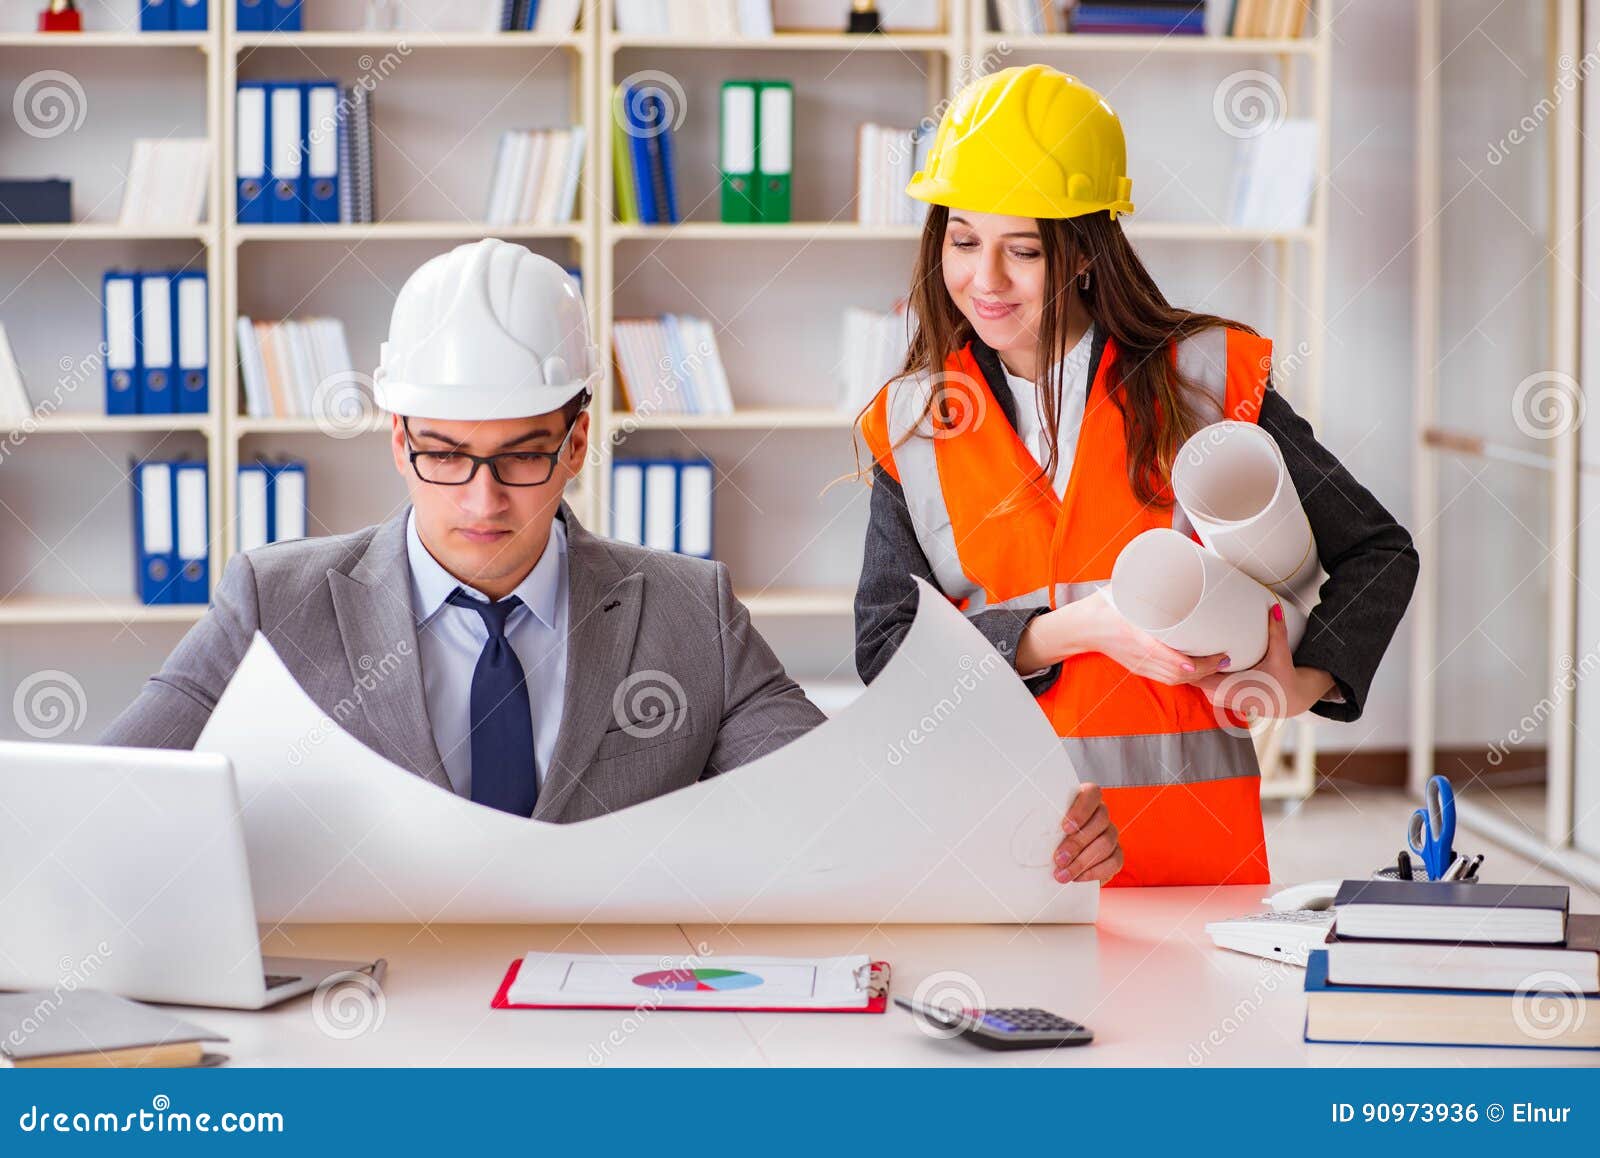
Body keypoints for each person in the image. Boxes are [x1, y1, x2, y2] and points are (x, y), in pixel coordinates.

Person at [854, 65, 1418, 886]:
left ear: (1083, 249)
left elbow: (1378, 551)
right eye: (963, 240)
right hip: (999, 850)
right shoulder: (916, 423)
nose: (986, 281)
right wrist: (1080, 630)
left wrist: (1302, 682)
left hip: (1187, 849)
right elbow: (887, 649)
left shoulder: (1203, 379)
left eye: (1023, 249)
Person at [103, 238, 825, 820]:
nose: (483, 503)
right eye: (445, 456)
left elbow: (835, 809)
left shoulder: (692, 611)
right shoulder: (273, 603)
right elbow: (107, 802)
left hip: (599, 997)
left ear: (576, 445)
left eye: (523, 457)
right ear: (399, 441)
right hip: (365, 994)